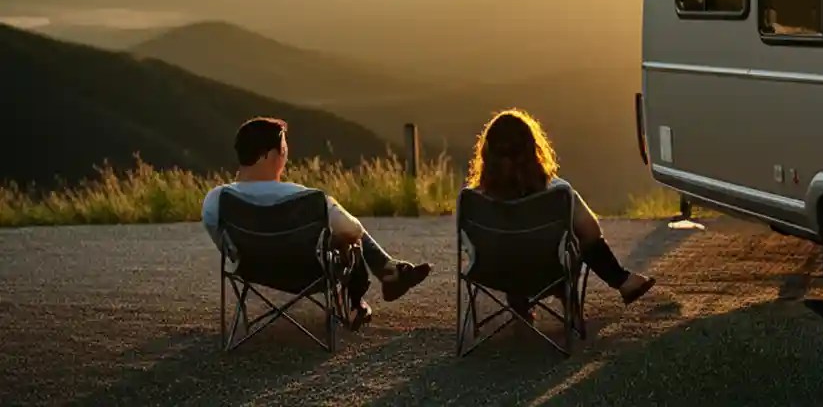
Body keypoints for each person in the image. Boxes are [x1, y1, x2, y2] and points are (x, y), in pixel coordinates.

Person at [201, 116, 433, 329]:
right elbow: (354, 230)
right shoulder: (309, 199)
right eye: (283, 149)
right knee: (348, 239)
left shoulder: (216, 200)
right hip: (309, 274)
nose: (285, 155)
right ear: (269, 156)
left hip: (252, 270)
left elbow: (224, 244)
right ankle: (377, 284)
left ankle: (389, 272)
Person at [465, 108, 657, 311]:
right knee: (578, 239)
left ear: (486, 153)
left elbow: (468, 243)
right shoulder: (558, 193)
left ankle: (518, 302)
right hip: (549, 275)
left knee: (511, 249)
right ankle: (620, 281)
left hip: (494, 274)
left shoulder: (472, 198)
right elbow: (592, 233)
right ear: (534, 149)